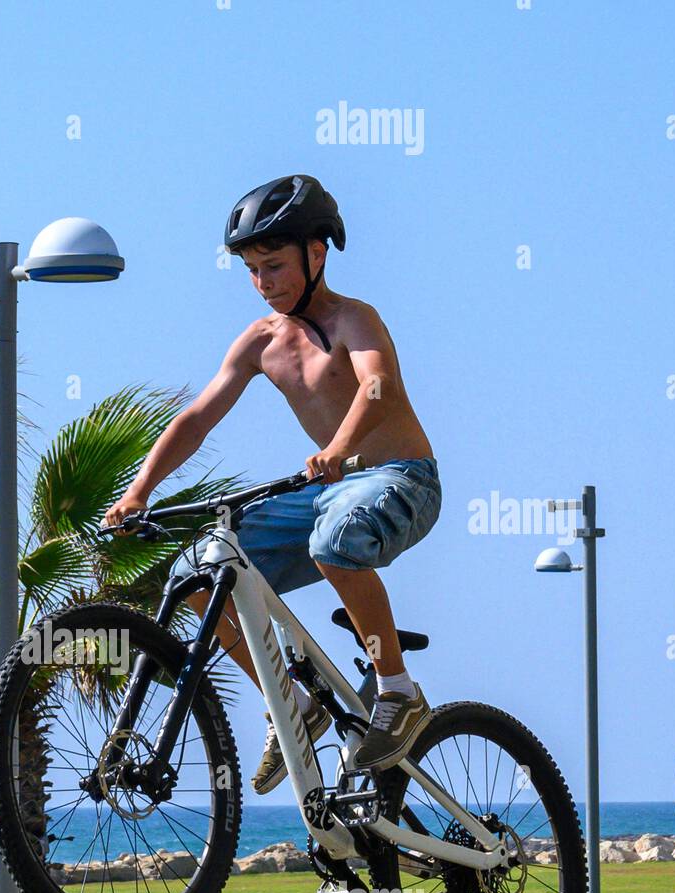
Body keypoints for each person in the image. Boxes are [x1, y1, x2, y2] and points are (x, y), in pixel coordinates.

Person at [102, 174, 441, 788]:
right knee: (198, 573)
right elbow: (198, 417)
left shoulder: (353, 319)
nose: (264, 283)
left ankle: (398, 689)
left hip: (401, 482)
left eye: (276, 265)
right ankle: (293, 705)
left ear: (317, 254)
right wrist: (139, 489)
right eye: (253, 270)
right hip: (329, 492)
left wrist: (339, 447)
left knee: (334, 539)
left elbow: (377, 386)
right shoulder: (261, 341)